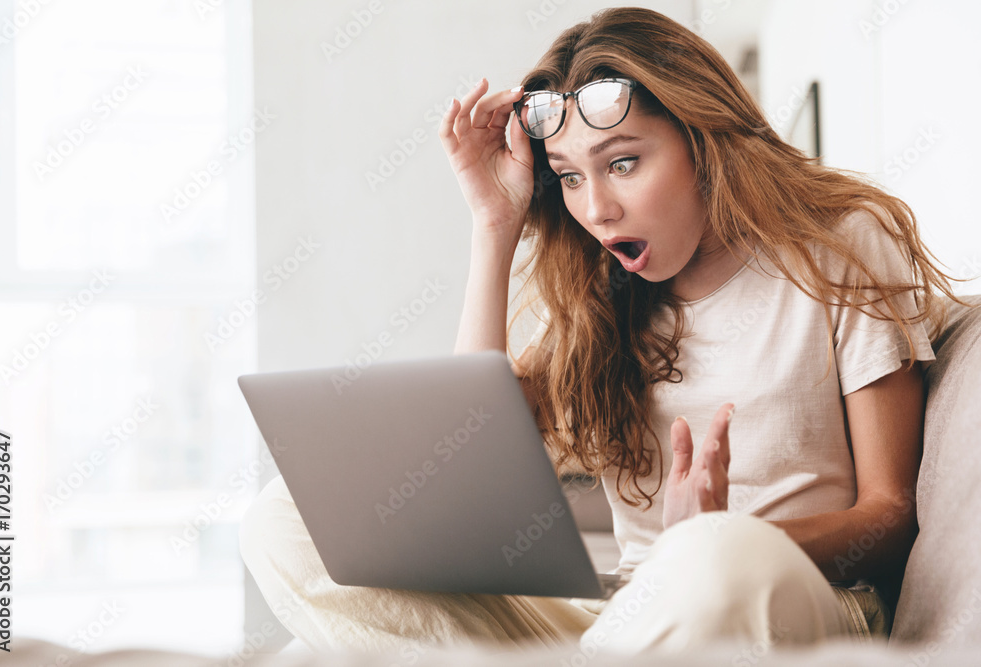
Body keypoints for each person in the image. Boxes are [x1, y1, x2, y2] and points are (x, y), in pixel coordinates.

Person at [240, 6, 972, 656]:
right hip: (628, 622)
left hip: (791, 600)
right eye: (568, 176)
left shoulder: (842, 242)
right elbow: (467, 469)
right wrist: (494, 225)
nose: (597, 209)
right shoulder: (600, 294)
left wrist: (711, 543)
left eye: (622, 162)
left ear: (702, 139)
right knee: (284, 521)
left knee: (714, 565)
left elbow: (888, 515)